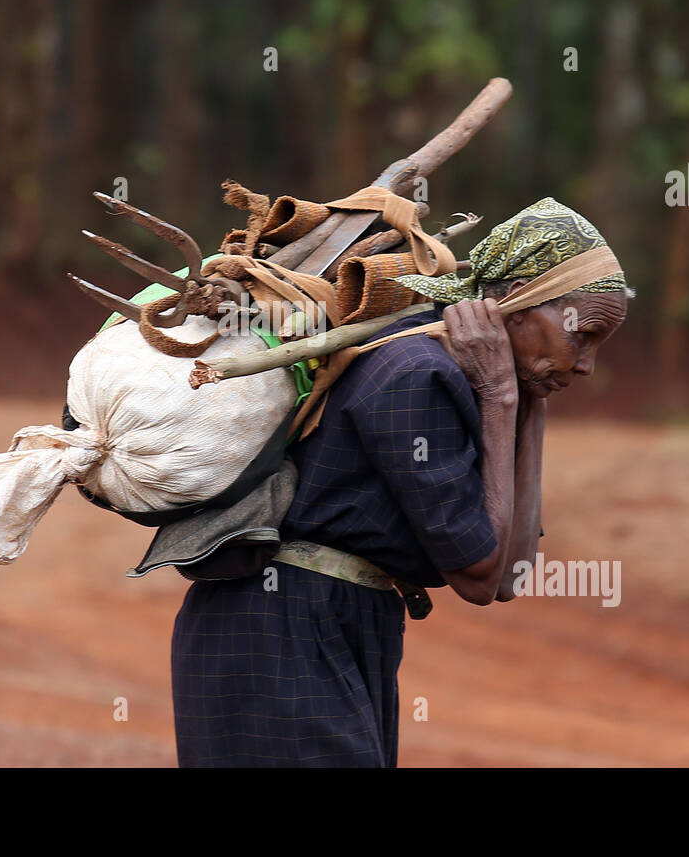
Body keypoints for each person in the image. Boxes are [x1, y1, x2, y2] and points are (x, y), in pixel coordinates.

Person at [170, 198, 631, 766]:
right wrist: (503, 396)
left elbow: (510, 577)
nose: (585, 364)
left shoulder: (461, 376)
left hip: (332, 622)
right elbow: (480, 578)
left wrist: (528, 408)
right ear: (513, 300)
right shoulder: (418, 373)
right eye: (581, 336)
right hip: (278, 631)